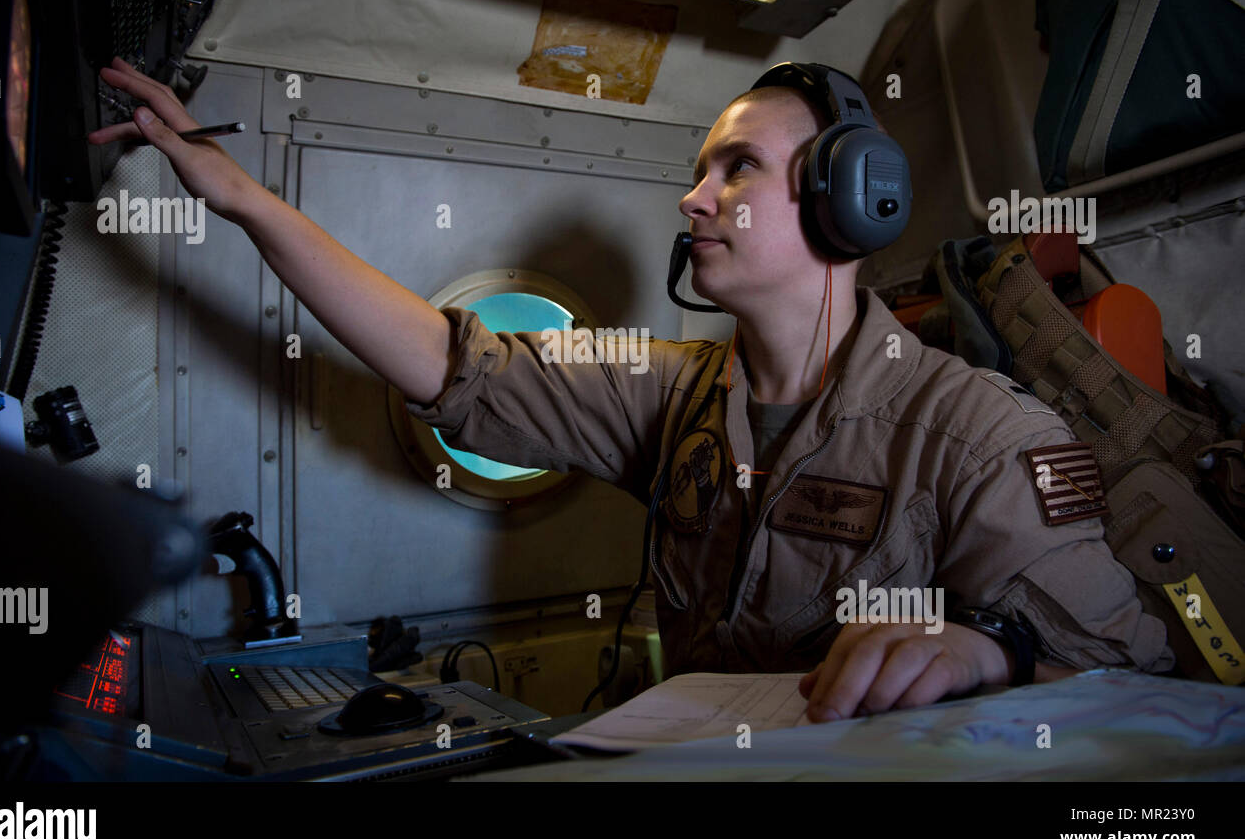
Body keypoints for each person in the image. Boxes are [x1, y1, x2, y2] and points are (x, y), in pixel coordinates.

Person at [89, 57, 1174, 724]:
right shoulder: (676, 395)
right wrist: (239, 197)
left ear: (850, 200)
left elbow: (1128, 679)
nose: (692, 197)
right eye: (701, 168)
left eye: (734, 168)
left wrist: (990, 648)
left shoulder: (973, 431)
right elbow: (443, 357)